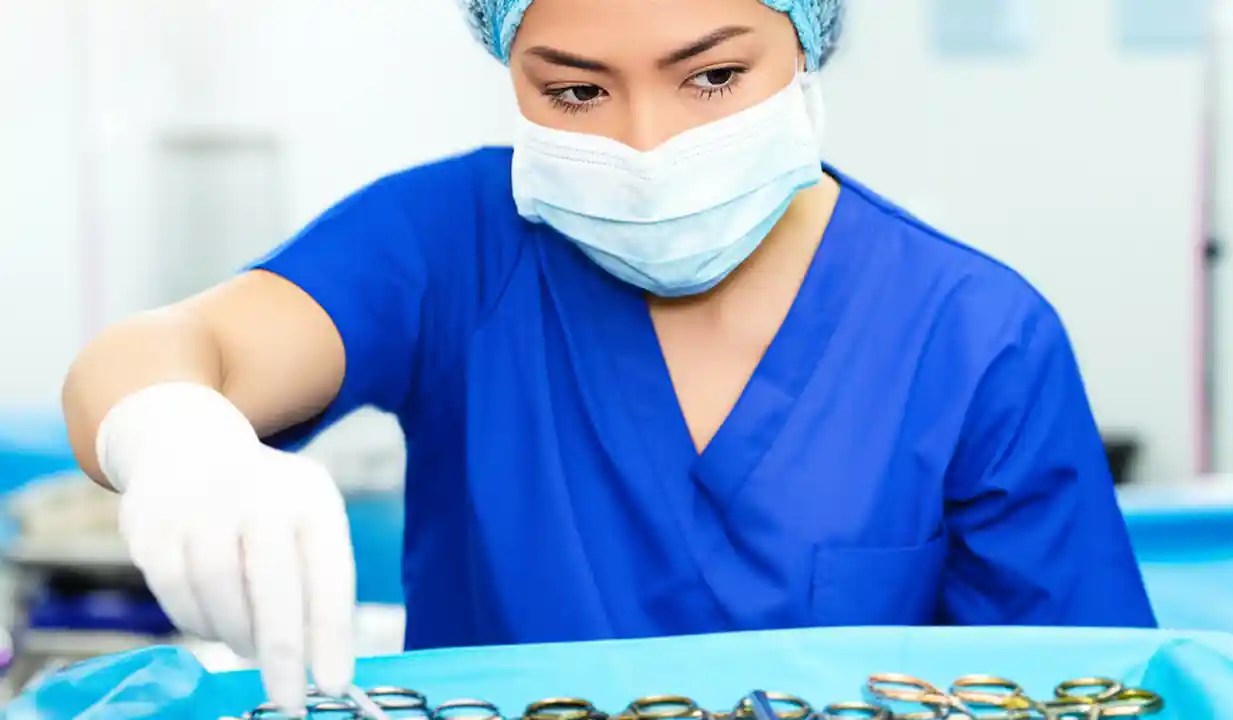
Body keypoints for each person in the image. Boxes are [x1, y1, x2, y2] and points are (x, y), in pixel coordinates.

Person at [61, 0, 1157, 713]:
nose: (646, 147)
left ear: (809, 40)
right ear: (505, 62)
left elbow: (1088, 691)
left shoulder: (970, 334)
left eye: (713, 78)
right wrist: (174, 434)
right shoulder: (453, 247)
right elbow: (171, 347)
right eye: (574, 91)